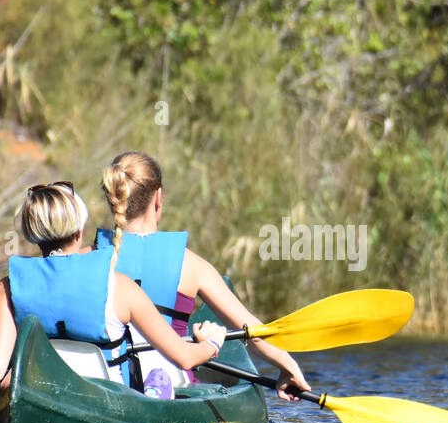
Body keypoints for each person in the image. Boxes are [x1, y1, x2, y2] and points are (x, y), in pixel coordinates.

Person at [0, 182, 227, 391]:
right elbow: (184, 358)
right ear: (80, 230)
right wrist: (210, 343)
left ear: (32, 235)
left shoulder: (9, 288)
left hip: (41, 396)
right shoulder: (119, 287)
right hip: (106, 407)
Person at [98, 151, 310, 402]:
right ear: (158, 198)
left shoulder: (89, 257)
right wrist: (288, 367)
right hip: (174, 378)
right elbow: (250, 330)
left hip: (109, 380)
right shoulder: (192, 266)